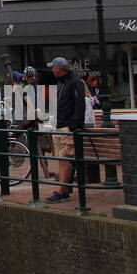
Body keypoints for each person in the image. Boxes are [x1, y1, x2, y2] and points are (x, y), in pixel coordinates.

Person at [45, 57, 86, 202]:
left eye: (53, 67)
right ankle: (64, 188)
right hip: (61, 125)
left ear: (59, 68)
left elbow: (80, 104)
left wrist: (74, 125)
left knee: (65, 158)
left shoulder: (74, 82)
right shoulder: (63, 82)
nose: (51, 69)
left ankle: (62, 190)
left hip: (67, 126)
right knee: (62, 157)